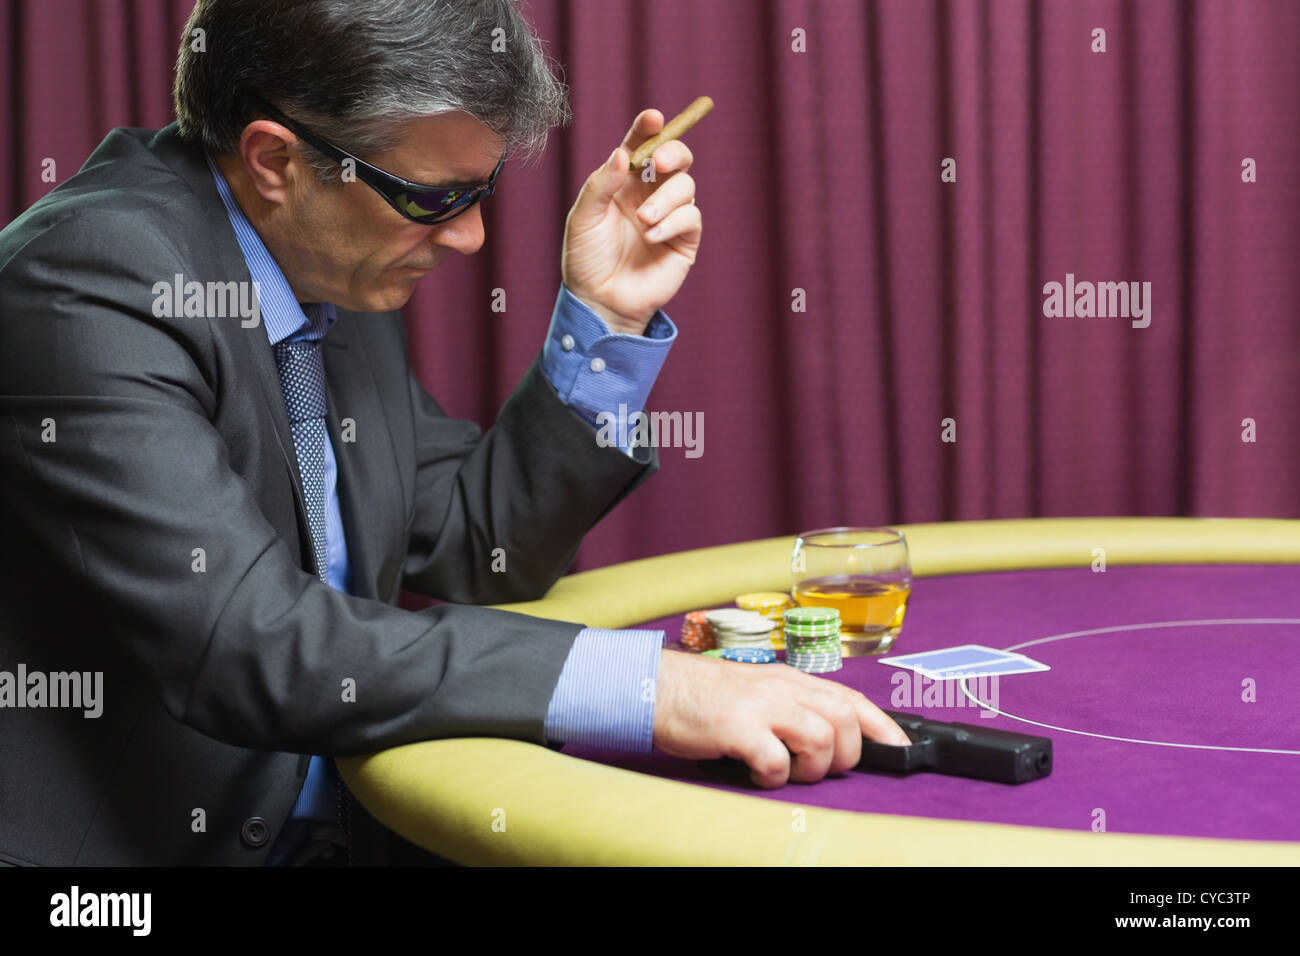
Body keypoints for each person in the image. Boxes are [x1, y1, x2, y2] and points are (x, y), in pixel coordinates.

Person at [0, 0, 906, 866]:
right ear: (275, 159)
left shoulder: (328, 250)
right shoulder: (88, 283)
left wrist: (602, 318)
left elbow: (481, 548)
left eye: (483, 189)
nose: (471, 236)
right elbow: (251, 646)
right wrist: (650, 685)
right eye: (435, 197)